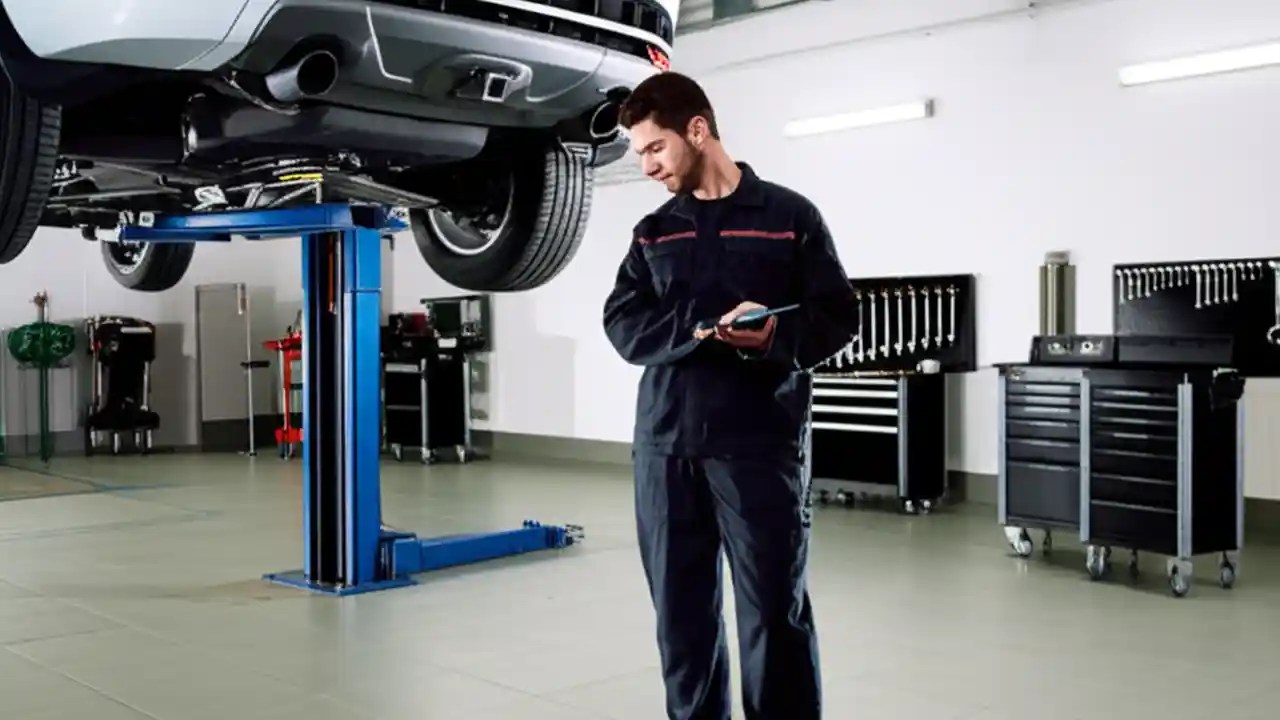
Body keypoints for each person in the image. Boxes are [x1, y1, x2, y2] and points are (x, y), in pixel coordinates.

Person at [601, 71, 858, 720]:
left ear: (698, 129)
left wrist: (776, 334)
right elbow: (622, 323)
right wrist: (696, 328)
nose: (646, 165)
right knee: (682, 621)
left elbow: (837, 316)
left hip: (756, 444)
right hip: (665, 447)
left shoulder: (788, 216)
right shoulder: (654, 231)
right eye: (638, 153)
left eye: (654, 148)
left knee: (774, 613)